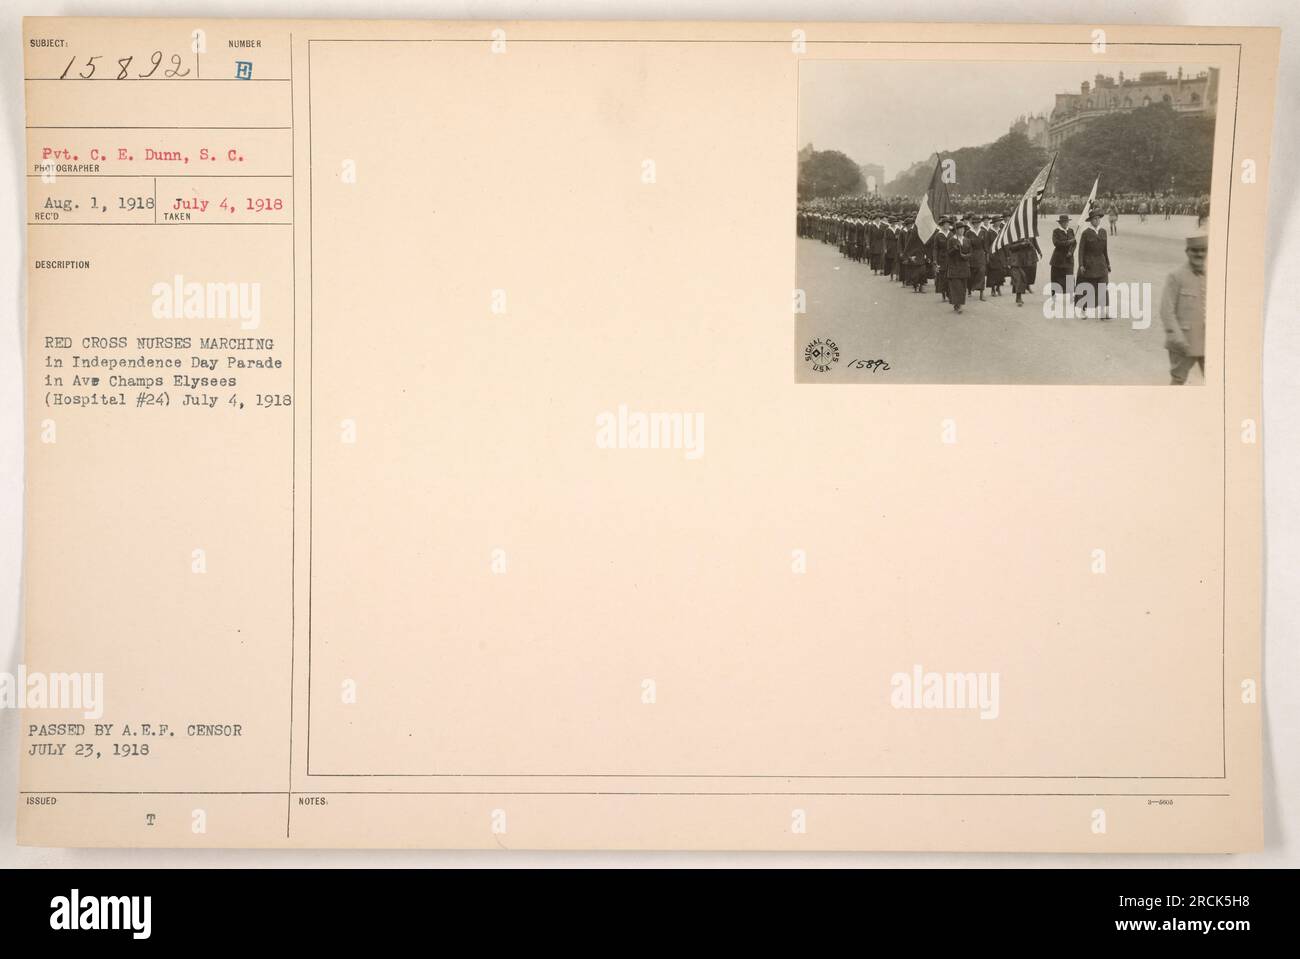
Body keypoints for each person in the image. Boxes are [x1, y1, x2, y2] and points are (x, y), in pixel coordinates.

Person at [1160, 233, 1207, 384]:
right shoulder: (1176, 276)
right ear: (1187, 252)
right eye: (1194, 250)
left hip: (1208, 341)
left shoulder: (1213, 274)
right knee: (1178, 382)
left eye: (1202, 250)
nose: (1198, 254)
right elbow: (1166, 311)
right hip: (1183, 341)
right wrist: (1177, 336)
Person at [1075, 208, 1111, 319]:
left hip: (1101, 264)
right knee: (1086, 288)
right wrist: (1081, 264)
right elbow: (1081, 250)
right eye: (1094, 219)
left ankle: (1104, 312)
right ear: (1090, 220)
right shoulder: (1086, 233)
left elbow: (1105, 250)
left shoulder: (1103, 232)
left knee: (1103, 287)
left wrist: (1108, 263)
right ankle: (1082, 311)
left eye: (1098, 218)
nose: (1097, 220)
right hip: (1088, 264)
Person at [946, 221, 972, 314]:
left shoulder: (967, 240)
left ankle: (960, 303)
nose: (961, 230)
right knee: (956, 287)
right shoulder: (951, 240)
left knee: (963, 287)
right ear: (956, 230)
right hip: (954, 267)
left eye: (963, 229)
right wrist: (954, 249)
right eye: (959, 229)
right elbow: (948, 253)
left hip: (964, 267)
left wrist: (965, 256)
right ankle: (957, 305)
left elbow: (970, 253)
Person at [1049, 213, 1076, 304]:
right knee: (1055, 278)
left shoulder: (1071, 231)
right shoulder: (1056, 231)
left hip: (1068, 259)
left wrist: (1071, 252)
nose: (1065, 224)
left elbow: (1074, 244)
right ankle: (1053, 295)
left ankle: (1072, 296)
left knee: (1070, 277)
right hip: (1058, 259)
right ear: (1060, 223)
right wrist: (1068, 242)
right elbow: (1056, 243)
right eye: (1063, 222)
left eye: (1066, 222)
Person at [1005, 236, 1037, 307]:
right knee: (1019, 277)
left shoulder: (1027, 234)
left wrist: (1028, 243)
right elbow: (1010, 247)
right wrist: (1021, 244)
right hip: (1015, 260)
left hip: (1025, 260)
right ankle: (1018, 297)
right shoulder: (1013, 234)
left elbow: (1032, 247)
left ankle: (1019, 295)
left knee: (1024, 278)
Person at [969, 214, 990, 301]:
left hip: (981, 255)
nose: (976, 224)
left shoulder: (983, 232)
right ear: (972, 223)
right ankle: (969, 289)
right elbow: (967, 245)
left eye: (978, 223)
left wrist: (987, 255)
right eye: (975, 223)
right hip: (972, 255)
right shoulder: (968, 233)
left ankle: (981, 293)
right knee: (972, 273)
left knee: (982, 272)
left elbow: (986, 245)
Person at [986, 215, 1007, 296]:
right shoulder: (989, 232)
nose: (998, 223)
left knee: (1000, 272)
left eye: (999, 221)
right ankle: (993, 289)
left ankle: (998, 287)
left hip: (1001, 254)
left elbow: (1004, 243)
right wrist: (988, 253)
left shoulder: (1001, 231)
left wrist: (1006, 254)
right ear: (994, 223)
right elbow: (986, 244)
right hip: (993, 254)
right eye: (997, 221)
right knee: (993, 272)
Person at [932, 217, 951, 302]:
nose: (947, 226)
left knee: (950, 276)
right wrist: (935, 260)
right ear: (942, 225)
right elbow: (935, 248)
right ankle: (943, 293)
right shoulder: (938, 235)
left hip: (950, 258)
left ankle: (949, 293)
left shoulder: (951, 234)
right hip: (941, 259)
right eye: (945, 224)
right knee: (943, 277)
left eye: (948, 224)